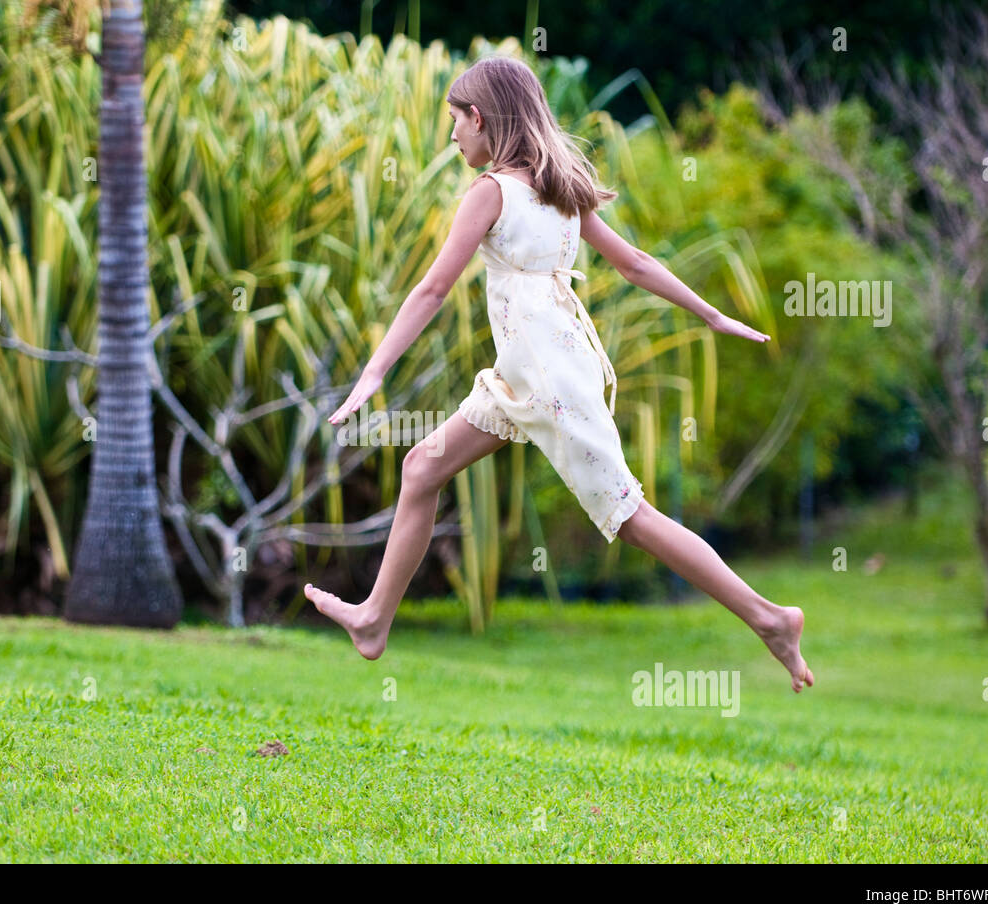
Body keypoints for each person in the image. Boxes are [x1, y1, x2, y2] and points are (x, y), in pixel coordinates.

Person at [304, 56, 813, 694]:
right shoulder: (556, 187)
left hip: (548, 383)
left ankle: (769, 619)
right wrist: (710, 314)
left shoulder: (491, 192)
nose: (453, 137)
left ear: (481, 119)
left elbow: (434, 288)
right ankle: (375, 619)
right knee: (423, 466)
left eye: (456, 122)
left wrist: (375, 371)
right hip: (530, 373)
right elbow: (634, 262)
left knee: (631, 516)